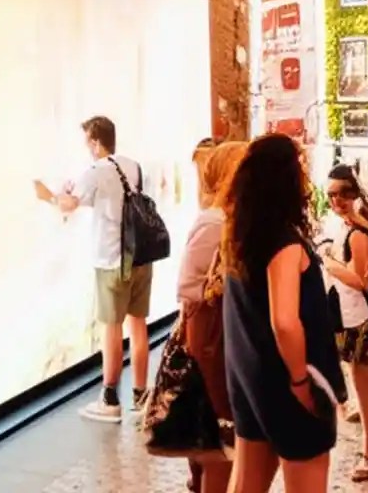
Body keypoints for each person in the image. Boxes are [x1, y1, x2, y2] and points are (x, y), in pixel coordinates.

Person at [220, 134, 346, 493]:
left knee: (247, 482)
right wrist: (301, 382)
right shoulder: (283, 241)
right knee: (305, 477)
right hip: (289, 379)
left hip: (249, 375)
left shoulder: (240, 237)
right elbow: (285, 322)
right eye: (301, 167)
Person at [34, 116, 151, 422]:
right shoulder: (133, 166)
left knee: (110, 328)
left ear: (96, 142)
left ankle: (110, 399)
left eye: (87, 142)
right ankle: (140, 395)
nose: (87, 148)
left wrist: (47, 196)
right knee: (138, 325)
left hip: (112, 261)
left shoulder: (97, 171)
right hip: (140, 257)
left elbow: (68, 204)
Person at [152, 140, 246, 493]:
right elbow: (190, 294)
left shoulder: (234, 219)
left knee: (222, 454)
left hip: (227, 348)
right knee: (217, 455)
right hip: (212, 350)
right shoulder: (213, 223)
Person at [321, 165, 368, 482]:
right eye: (331, 194)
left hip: (359, 319)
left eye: (343, 194)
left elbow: (360, 280)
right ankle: (354, 416)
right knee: (354, 379)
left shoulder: (359, 233)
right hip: (348, 315)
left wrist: (327, 261)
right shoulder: (349, 227)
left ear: (355, 194)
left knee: (364, 385)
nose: (337, 200)